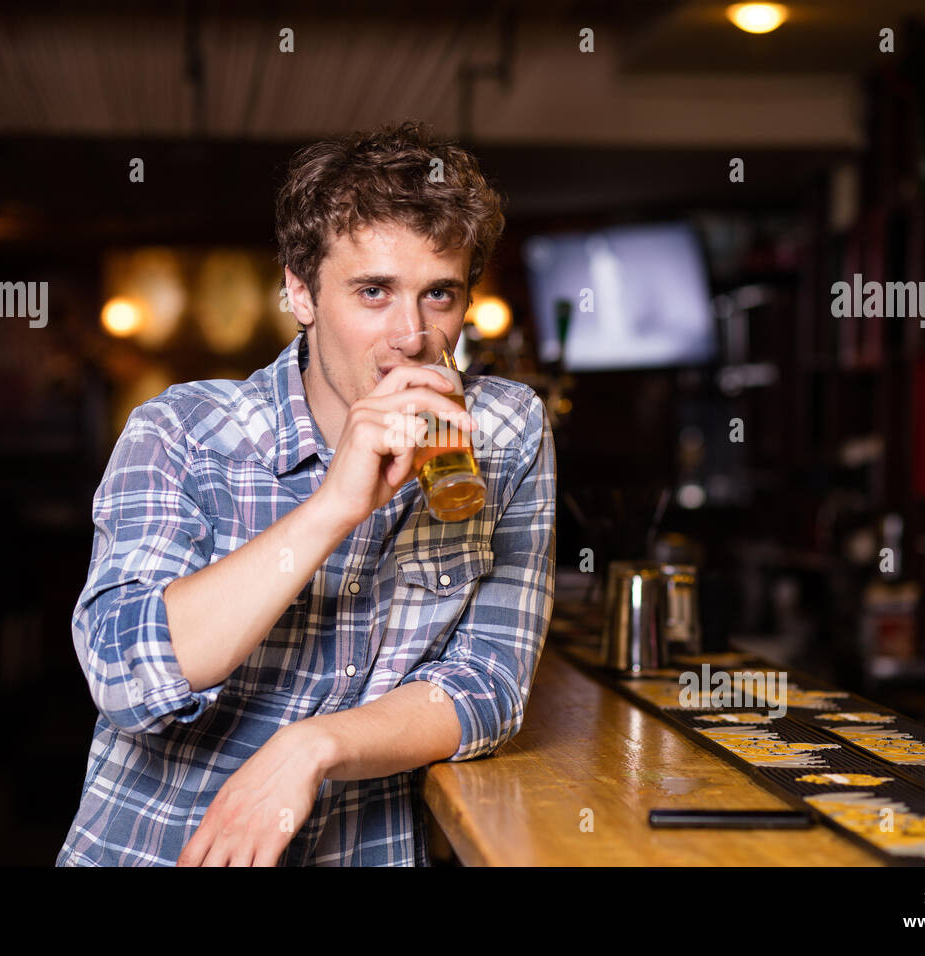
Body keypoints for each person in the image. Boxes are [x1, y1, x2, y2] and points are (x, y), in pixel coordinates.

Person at [56, 119, 556, 866]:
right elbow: (127, 675)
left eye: (439, 295)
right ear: (300, 290)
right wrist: (332, 506)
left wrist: (313, 747)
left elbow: (489, 684)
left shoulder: (506, 431)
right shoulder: (183, 430)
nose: (411, 335)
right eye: (373, 291)